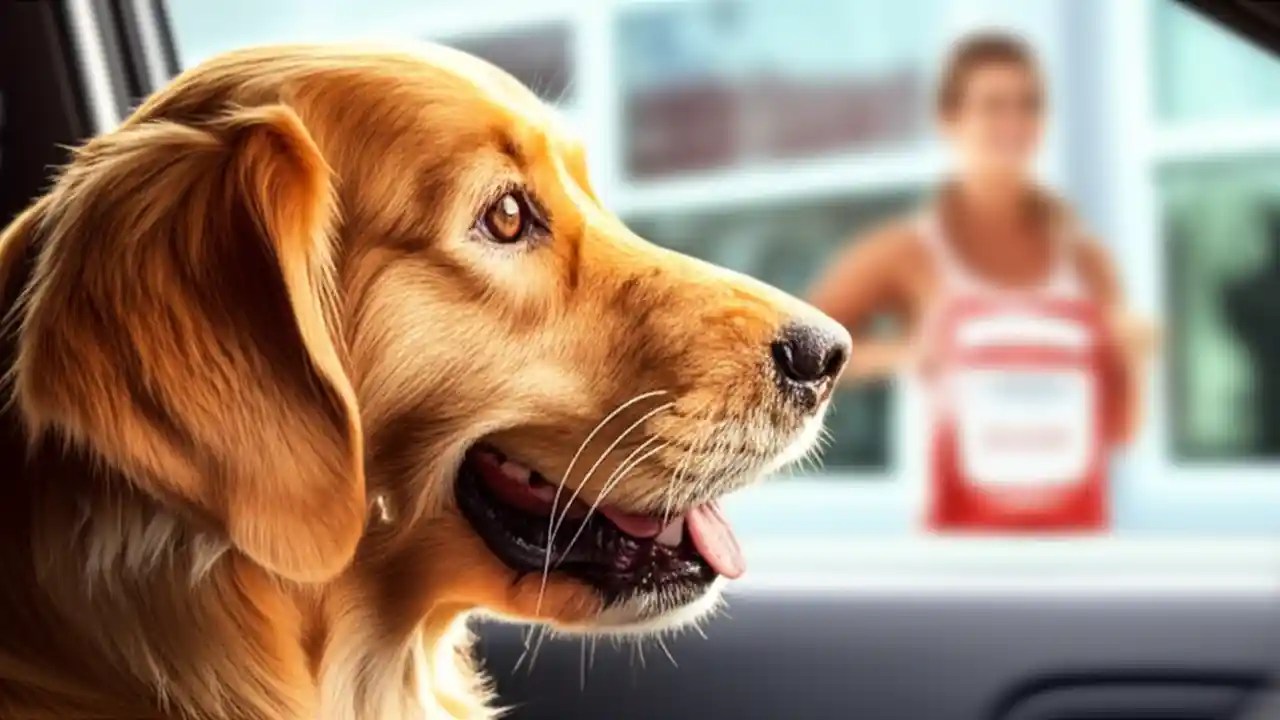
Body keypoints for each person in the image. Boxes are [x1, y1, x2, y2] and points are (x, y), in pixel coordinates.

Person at [809, 31, 1154, 447]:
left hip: (1068, 503)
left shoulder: (1087, 262)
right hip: (958, 504)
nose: (1013, 124)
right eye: (993, 106)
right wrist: (906, 356)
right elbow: (808, 346)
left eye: (1029, 106)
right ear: (949, 120)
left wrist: (1127, 359)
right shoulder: (906, 252)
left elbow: (1122, 432)